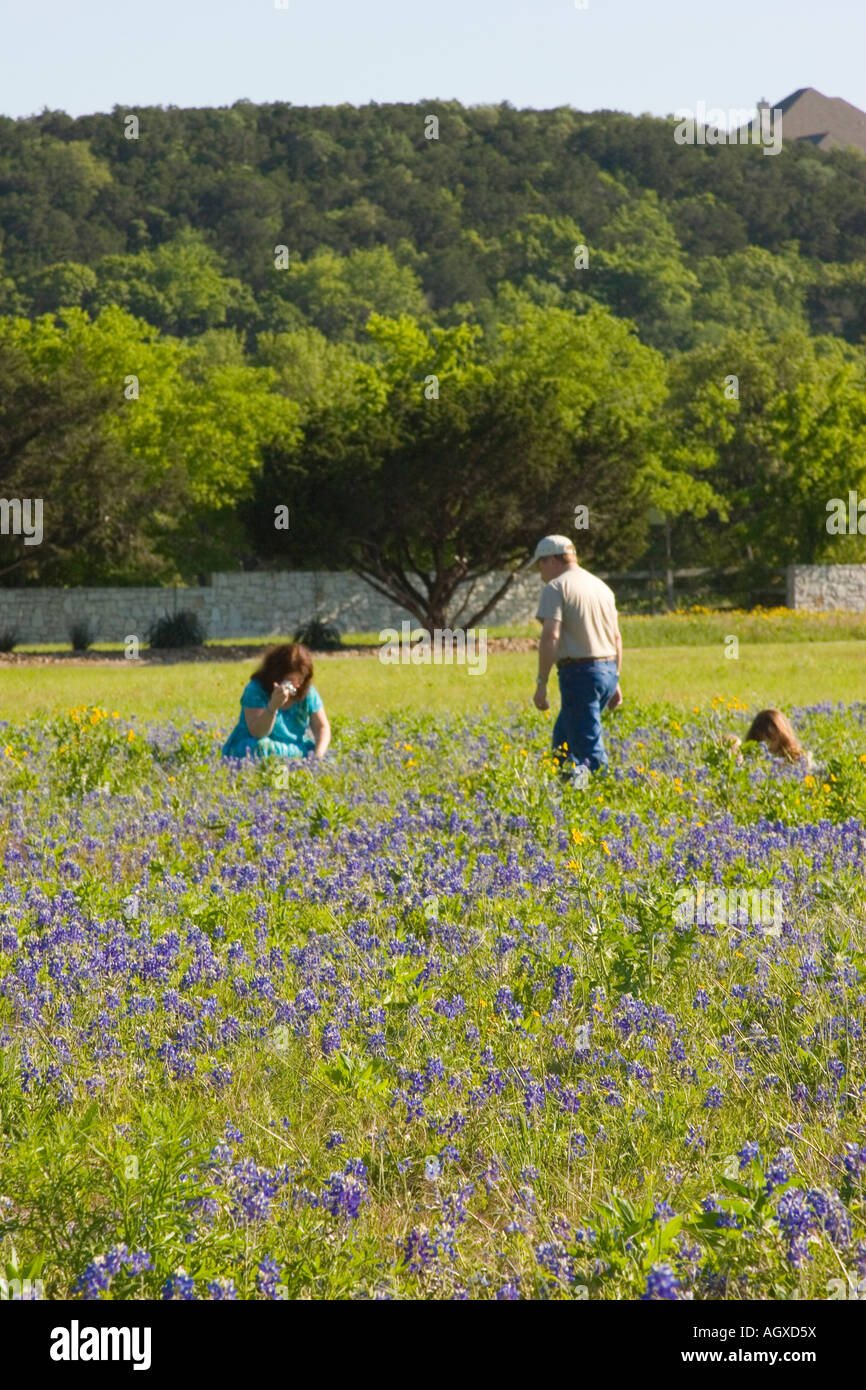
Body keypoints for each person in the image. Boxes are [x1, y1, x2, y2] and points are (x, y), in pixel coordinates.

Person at [530, 534, 623, 775]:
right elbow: (616, 637)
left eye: (540, 564)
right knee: (563, 742)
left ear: (552, 560)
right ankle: (566, 791)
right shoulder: (601, 587)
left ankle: (601, 791)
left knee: (585, 748)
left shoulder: (556, 587)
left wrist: (542, 682)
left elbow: (551, 636)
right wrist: (616, 678)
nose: (540, 573)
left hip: (579, 673)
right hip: (607, 670)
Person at [222, 643, 331, 762]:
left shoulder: (307, 692)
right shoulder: (255, 690)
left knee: (325, 759)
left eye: (301, 679)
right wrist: (273, 706)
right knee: (261, 747)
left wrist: (318, 756)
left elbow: (322, 727)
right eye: (291, 680)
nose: (297, 685)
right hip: (257, 746)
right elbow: (258, 732)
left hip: (294, 748)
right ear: (276, 675)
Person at [736, 708, 814, 769]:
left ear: (783, 736)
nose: (767, 745)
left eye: (772, 739)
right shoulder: (750, 759)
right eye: (761, 740)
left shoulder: (798, 758)